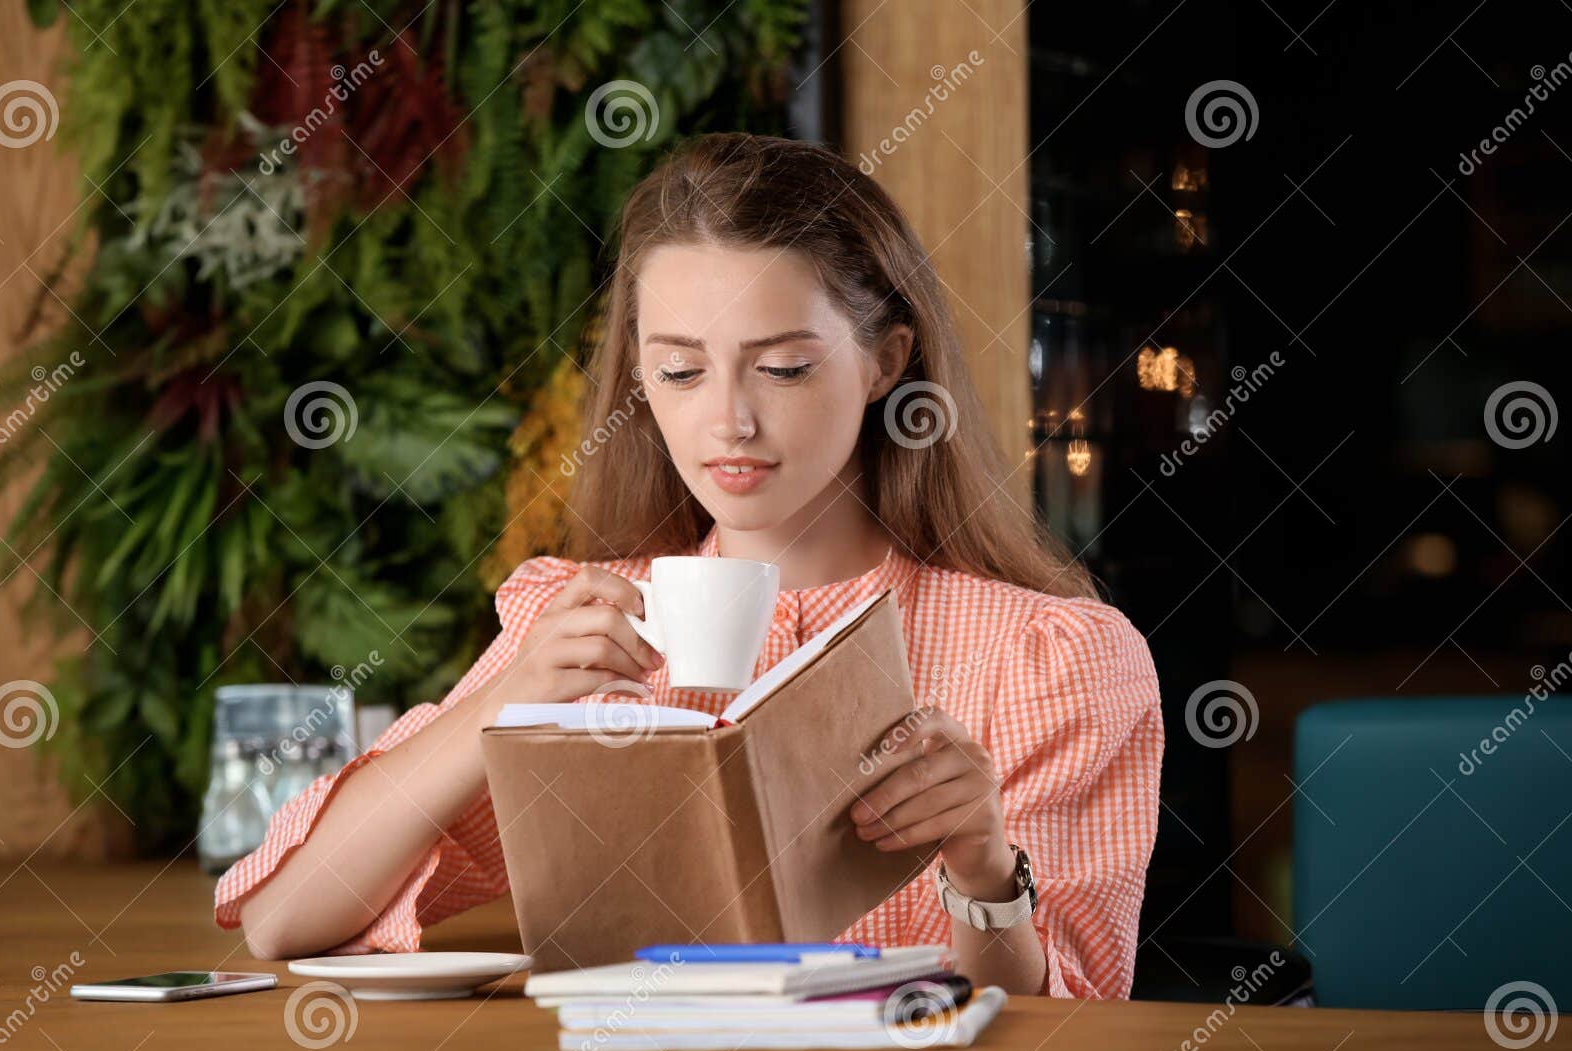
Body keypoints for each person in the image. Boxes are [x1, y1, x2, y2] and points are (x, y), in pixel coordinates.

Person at [215, 132, 1164, 998]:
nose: (729, 422)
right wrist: (497, 709)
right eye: (679, 371)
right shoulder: (585, 625)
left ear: (886, 361)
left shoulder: (1050, 656)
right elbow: (285, 918)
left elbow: (1063, 1029)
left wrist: (985, 868)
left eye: (783, 368)